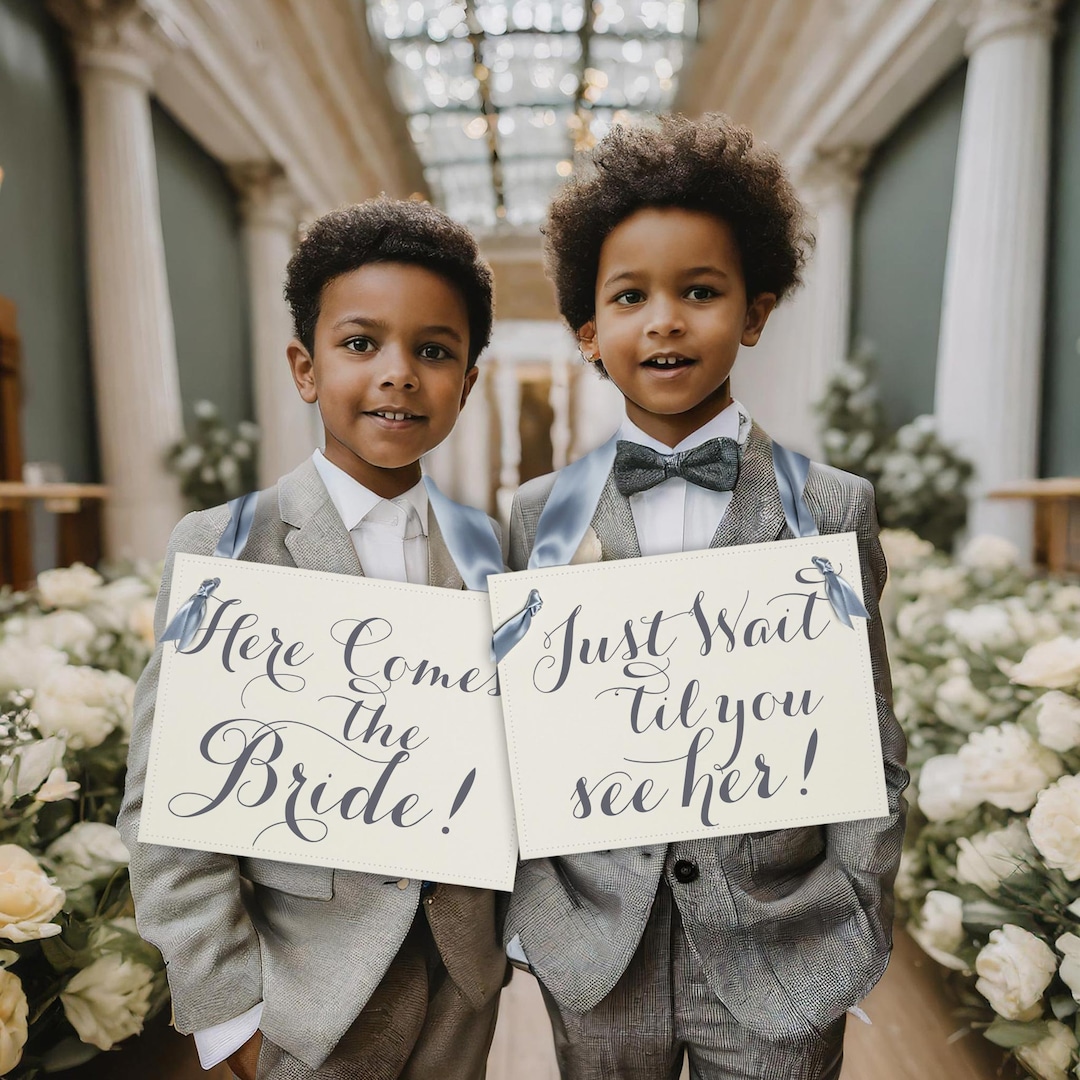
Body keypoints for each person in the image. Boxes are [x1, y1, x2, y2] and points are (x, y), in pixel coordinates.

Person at [504, 114, 909, 1080]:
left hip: (786, 943)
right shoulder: (538, 515)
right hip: (600, 951)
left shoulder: (831, 505)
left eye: (700, 291)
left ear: (755, 311)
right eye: (631, 296)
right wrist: (534, 911)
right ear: (588, 332)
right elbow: (524, 733)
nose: (666, 320)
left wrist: (857, 905)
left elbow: (868, 733)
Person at [118, 198, 509, 1080]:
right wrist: (228, 1021)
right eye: (361, 344)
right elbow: (166, 810)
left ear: (468, 382)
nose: (399, 374)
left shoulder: (493, 550)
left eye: (435, 351)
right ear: (305, 367)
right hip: (305, 1003)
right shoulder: (226, 544)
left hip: (461, 984)